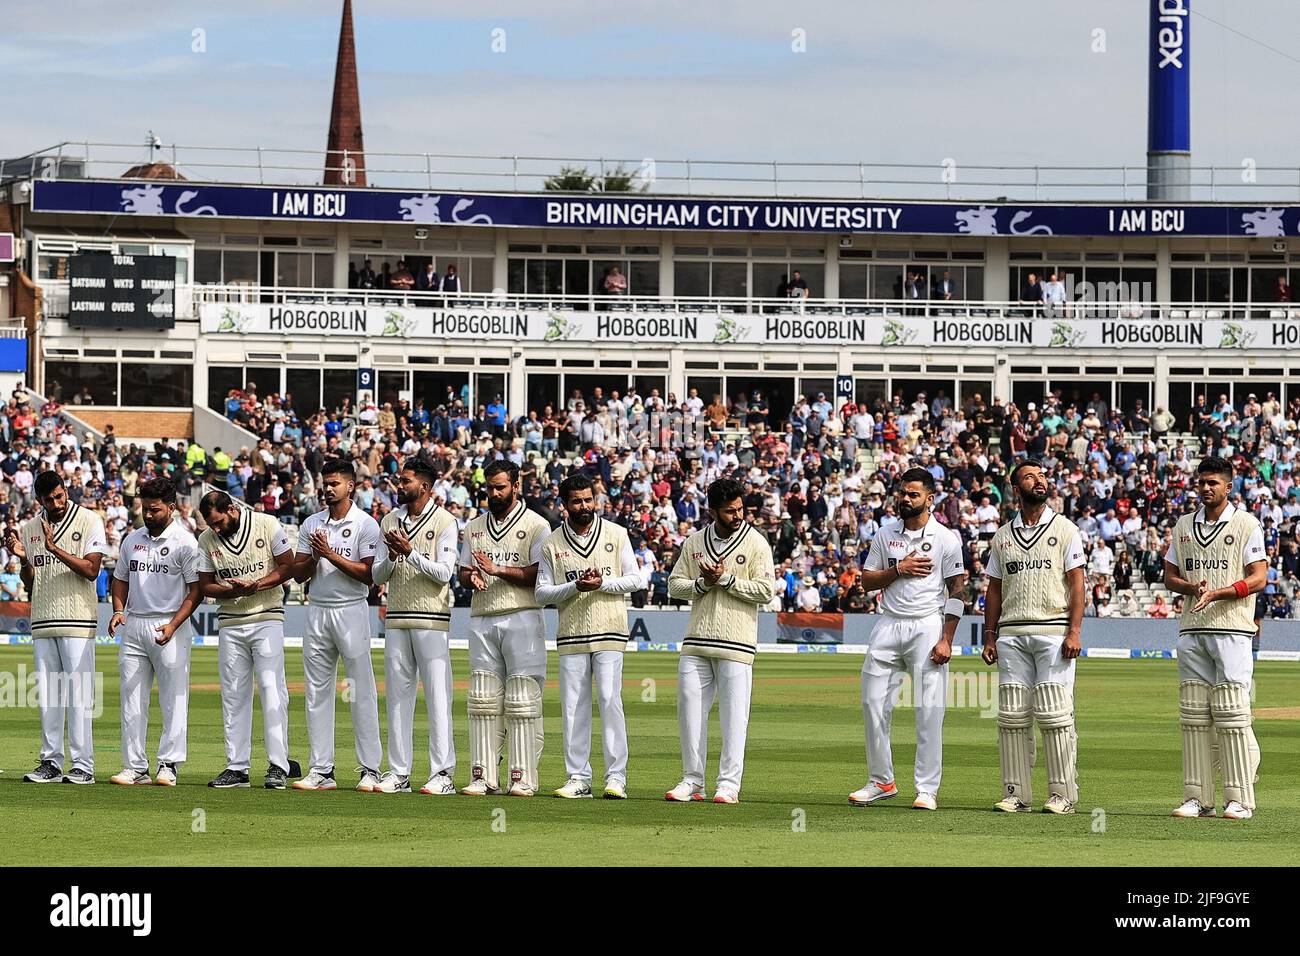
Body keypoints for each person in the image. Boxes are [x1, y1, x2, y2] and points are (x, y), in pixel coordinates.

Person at [849, 468, 966, 811]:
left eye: (913, 494)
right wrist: (898, 569)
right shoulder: (885, 534)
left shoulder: (945, 538)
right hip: (888, 623)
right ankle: (881, 780)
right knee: (872, 704)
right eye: (902, 493)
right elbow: (867, 581)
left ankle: (927, 789)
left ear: (930, 499)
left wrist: (946, 639)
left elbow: (958, 591)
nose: (905, 499)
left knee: (929, 710)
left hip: (927, 625)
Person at [1163, 456, 1265, 820]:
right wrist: (1191, 587)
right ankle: (1197, 797)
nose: (1206, 488)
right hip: (1192, 628)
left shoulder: (1246, 524)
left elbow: (1259, 577)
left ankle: (1239, 799)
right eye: (1202, 482)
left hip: (1233, 629)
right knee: (1195, 714)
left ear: (1228, 486)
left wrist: (1220, 593)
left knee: (1232, 712)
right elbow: (1169, 576)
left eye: (1213, 483)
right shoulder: (1183, 525)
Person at [982, 458, 1086, 814]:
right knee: (1012, 715)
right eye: (1030, 477)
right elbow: (994, 589)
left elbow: (1077, 583)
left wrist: (1074, 631)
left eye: (1042, 475)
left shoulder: (1066, 529)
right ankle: (1016, 793)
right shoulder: (1002, 536)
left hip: (1054, 631)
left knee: (1055, 714)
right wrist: (990, 636)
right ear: (1016, 489)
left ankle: (1062, 794)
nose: (1039, 480)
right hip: (1012, 632)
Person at [665, 477, 775, 804]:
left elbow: (765, 591)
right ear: (712, 511)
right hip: (696, 641)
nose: (738, 515)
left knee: (734, 719)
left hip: (737, 643)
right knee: (689, 714)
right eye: (729, 511)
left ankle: (728, 785)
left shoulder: (756, 543)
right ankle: (692, 780)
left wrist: (725, 579)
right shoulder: (694, 541)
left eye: (740, 509)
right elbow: (674, 585)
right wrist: (702, 583)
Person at [535, 474, 642, 799]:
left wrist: (602, 584)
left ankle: (616, 777)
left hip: (610, 629)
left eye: (588, 500)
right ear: (564, 505)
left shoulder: (616, 534)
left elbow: (636, 579)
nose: (584, 506)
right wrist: (575, 587)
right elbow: (541, 593)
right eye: (577, 501)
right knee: (573, 707)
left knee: (609, 699)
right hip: (571, 634)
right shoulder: (552, 543)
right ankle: (578, 777)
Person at [458, 459, 552, 797]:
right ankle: (483, 776)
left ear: (516, 486)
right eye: (490, 488)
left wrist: (497, 570)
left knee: (522, 698)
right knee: (482, 697)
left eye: (501, 487)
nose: (495, 493)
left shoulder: (537, 525)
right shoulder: (474, 527)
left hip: (522, 615)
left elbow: (539, 574)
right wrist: (472, 576)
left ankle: (522, 777)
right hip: (482, 615)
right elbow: (463, 571)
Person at [291, 460, 385, 792]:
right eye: (325, 483)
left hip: (351, 610)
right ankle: (321, 770)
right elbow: (298, 574)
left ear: (350, 486)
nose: (329, 489)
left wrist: (330, 554)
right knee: (316, 691)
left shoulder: (366, 524)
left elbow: (369, 575)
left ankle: (370, 769)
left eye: (335, 483)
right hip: (317, 609)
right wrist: (315, 557)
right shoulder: (311, 523)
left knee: (360, 690)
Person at [197, 490, 301, 789]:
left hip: (266, 616)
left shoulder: (267, 524)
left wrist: (257, 585)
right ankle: (237, 767)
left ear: (231, 509)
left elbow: (288, 566)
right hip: (230, 621)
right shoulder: (206, 539)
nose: (216, 529)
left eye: (218, 522)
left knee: (271, 689)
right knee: (233, 693)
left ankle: (278, 765)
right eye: (211, 524)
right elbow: (205, 585)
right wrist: (233, 591)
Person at [10, 471, 108, 785]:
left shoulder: (90, 520)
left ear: (65, 490)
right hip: (42, 619)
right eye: (48, 500)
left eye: (59, 496)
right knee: (49, 696)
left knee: (79, 694)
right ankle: (50, 762)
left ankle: (83, 765)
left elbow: (91, 570)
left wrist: (54, 549)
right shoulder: (30, 528)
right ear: (39, 499)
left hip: (78, 619)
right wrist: (24, 561)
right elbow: (30, 581)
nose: (56, 504)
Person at [370, 455, 460, 795]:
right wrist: (393, 557)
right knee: (397, 697)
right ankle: (398, 773)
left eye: (405, 480)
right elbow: (377, 574)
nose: (399, 485)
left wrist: (409, 553)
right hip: (396, 617)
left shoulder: (446, 521)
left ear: (423, 486)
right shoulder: (389, 520)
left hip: (432, 618)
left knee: (438, 696)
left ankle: (442, 774)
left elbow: (444, 573)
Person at [107, 478, 201, 787]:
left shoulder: (185, 542)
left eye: (155, 510)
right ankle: (135, 767)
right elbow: (120, 579)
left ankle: (168, 764)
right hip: (134, 623)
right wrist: (118, 610)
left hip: (170, 624)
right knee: (131, 699)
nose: (148, 515)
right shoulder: (132, 539)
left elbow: (196, 590)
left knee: (173, 698)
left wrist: (173, 625)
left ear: (171, 508)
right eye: (145, 509)